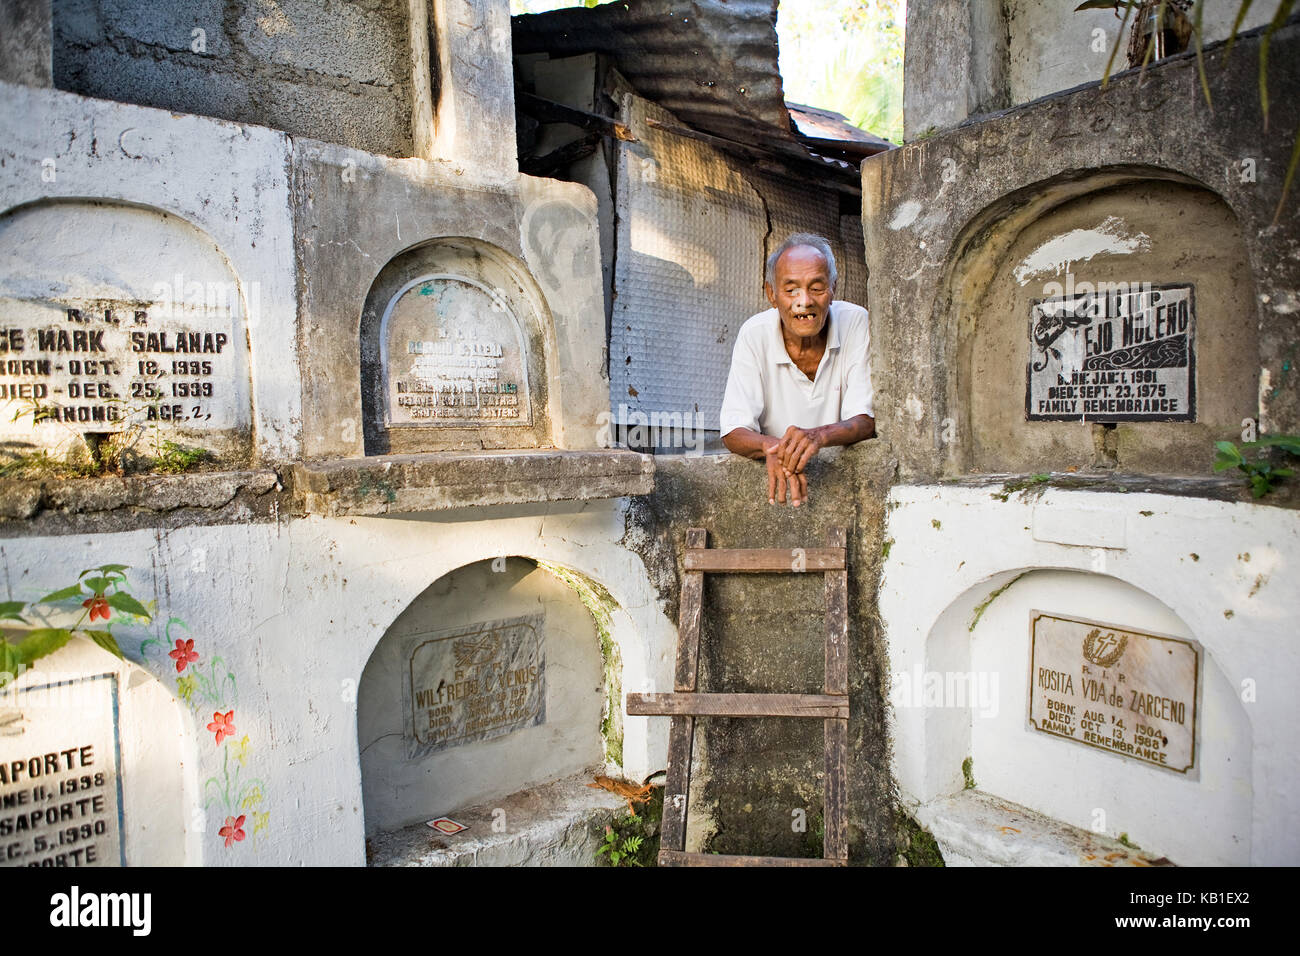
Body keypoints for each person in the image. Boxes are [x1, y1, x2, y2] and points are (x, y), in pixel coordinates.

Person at [719, 233, 875, 506]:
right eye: (791, 290)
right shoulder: (754, 334)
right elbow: (733, 430)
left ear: (833, 288)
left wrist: (817, 436)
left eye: (816, 287)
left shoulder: (856, 323)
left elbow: (865, 420)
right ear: (772, 295)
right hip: (781, 486)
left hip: (842, 486)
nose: (804, 301)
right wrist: (773, 447)